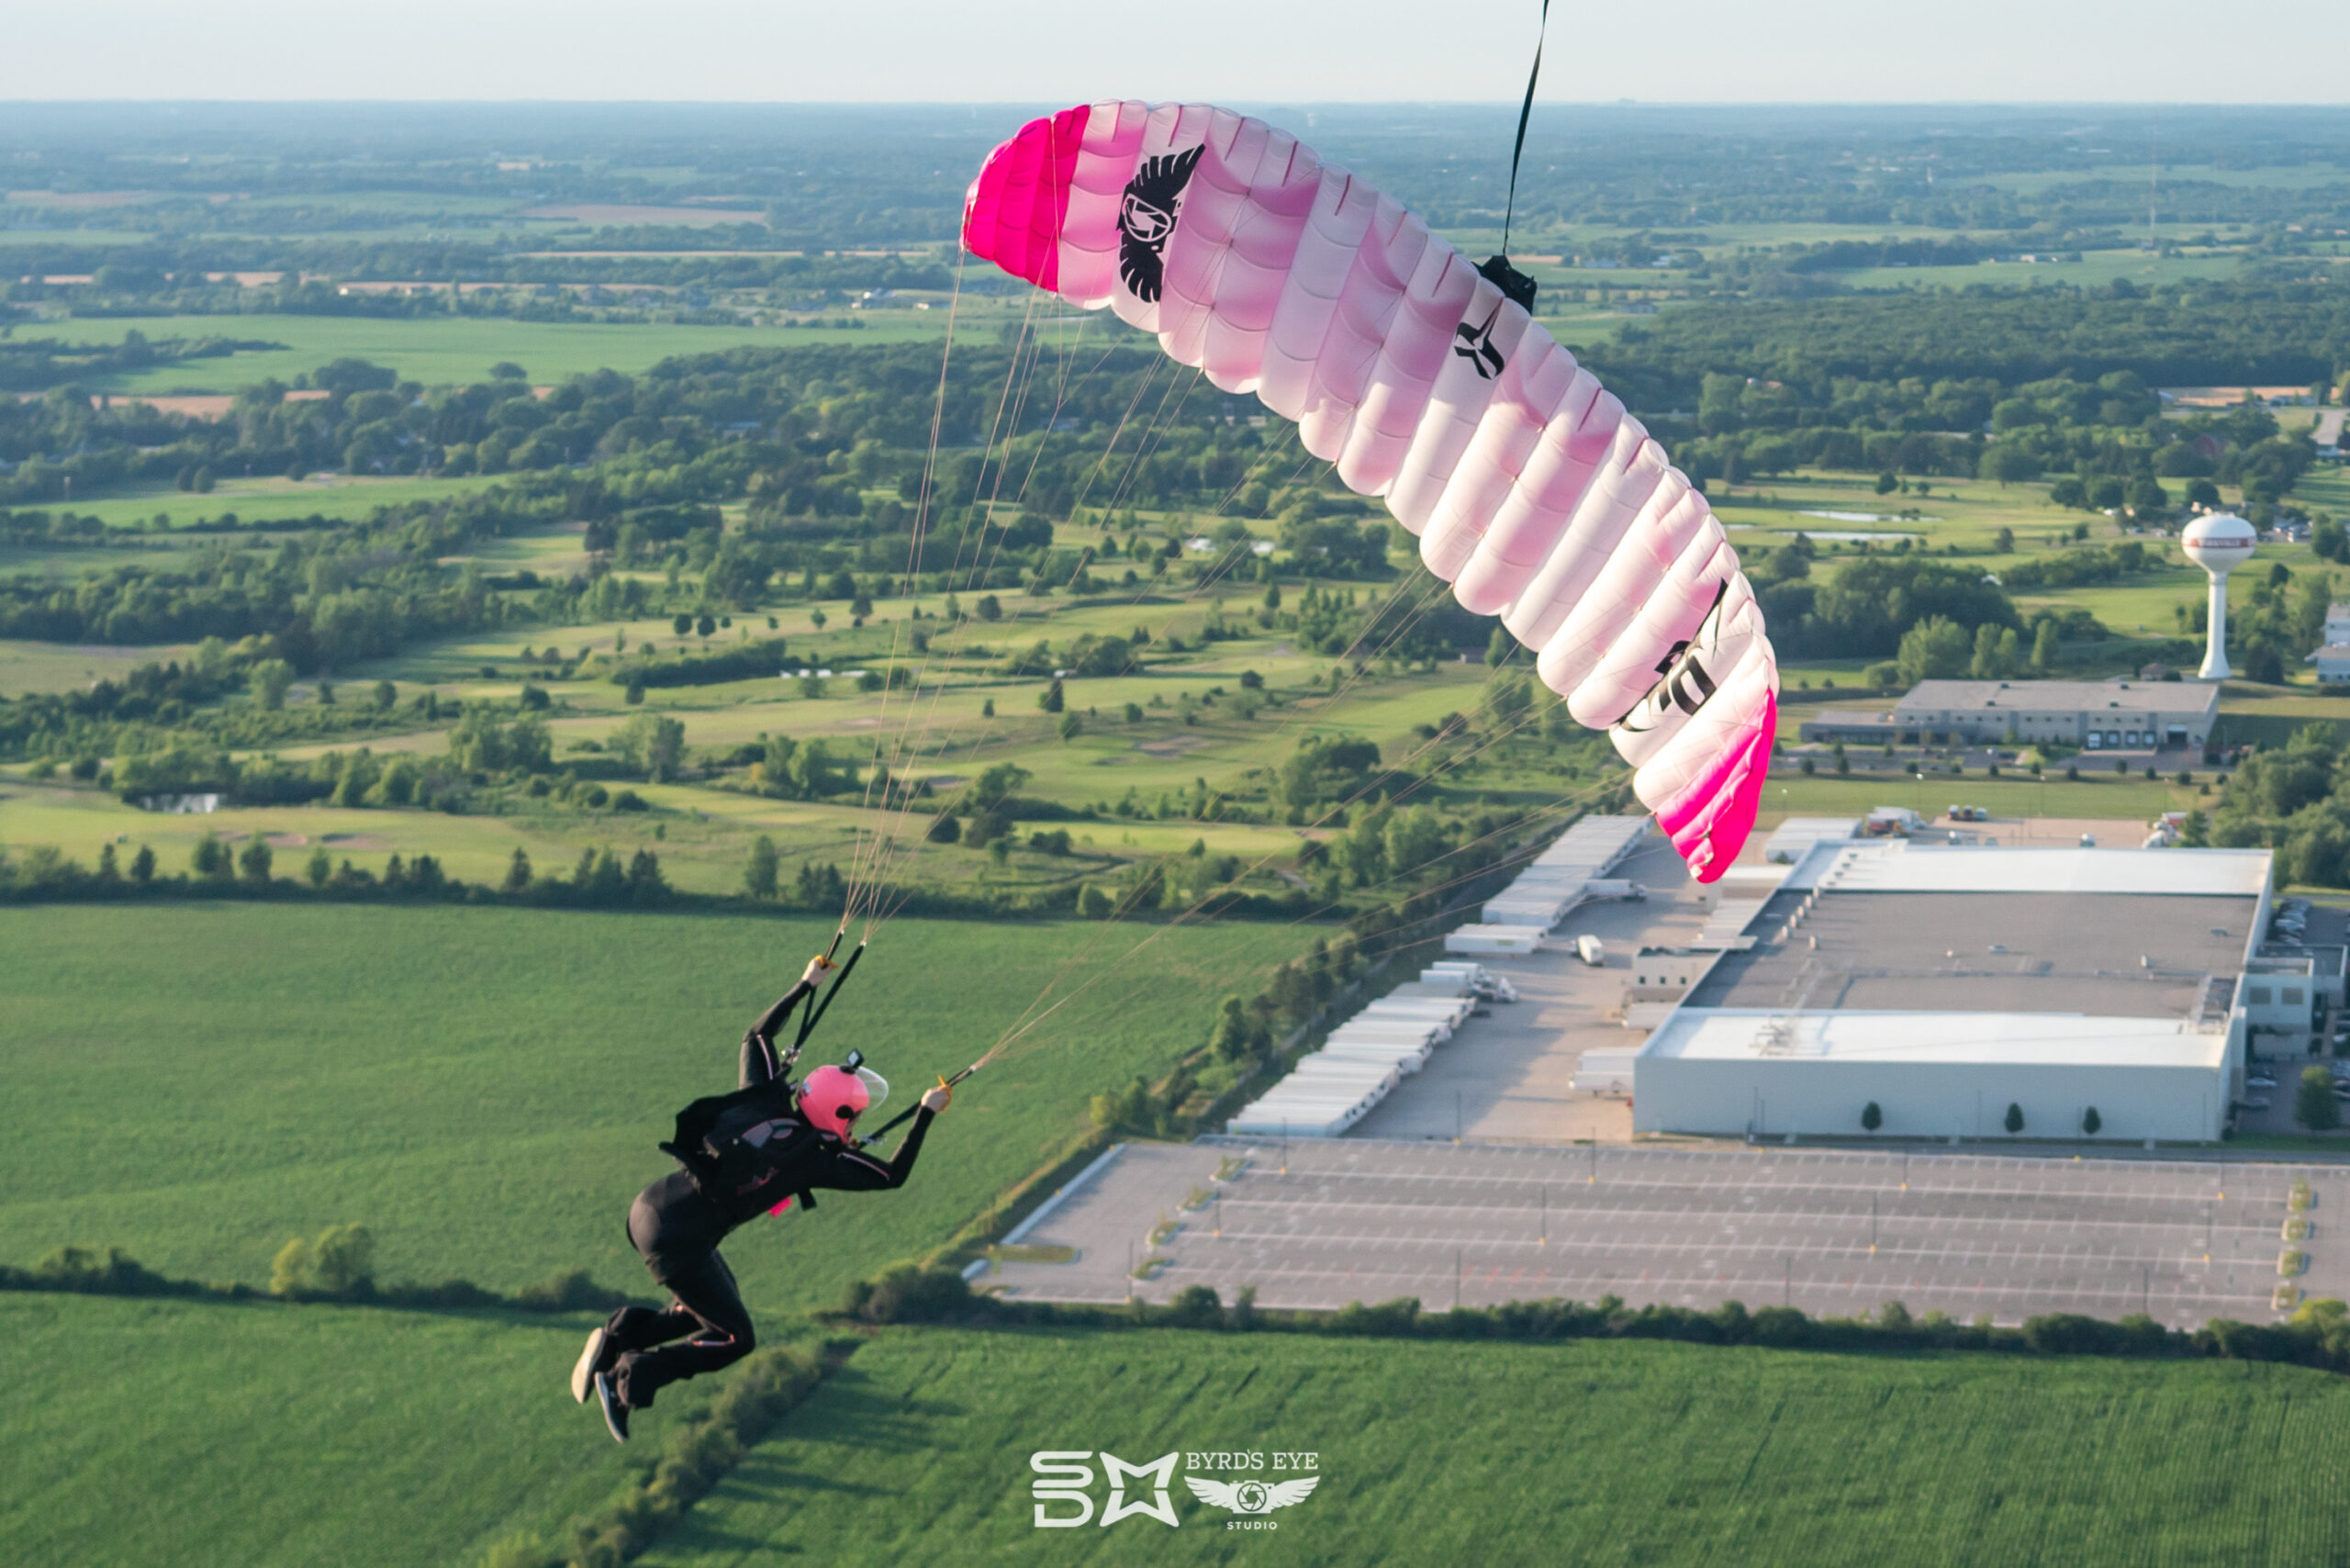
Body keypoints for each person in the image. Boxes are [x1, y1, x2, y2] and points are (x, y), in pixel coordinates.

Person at [569, 954, 951, 1442]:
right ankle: (625, 1380)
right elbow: (892, 1175)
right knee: (735, 1337)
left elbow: (756, 1037)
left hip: (648, 1207)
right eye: (851, 1119)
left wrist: (804, 985)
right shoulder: (812, 1157)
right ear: (836, 1114)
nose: (853, 1129)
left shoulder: (765, 1098)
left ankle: (620, 1336)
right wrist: (925, 1114)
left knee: (702, 1308)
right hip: (676, 1244)